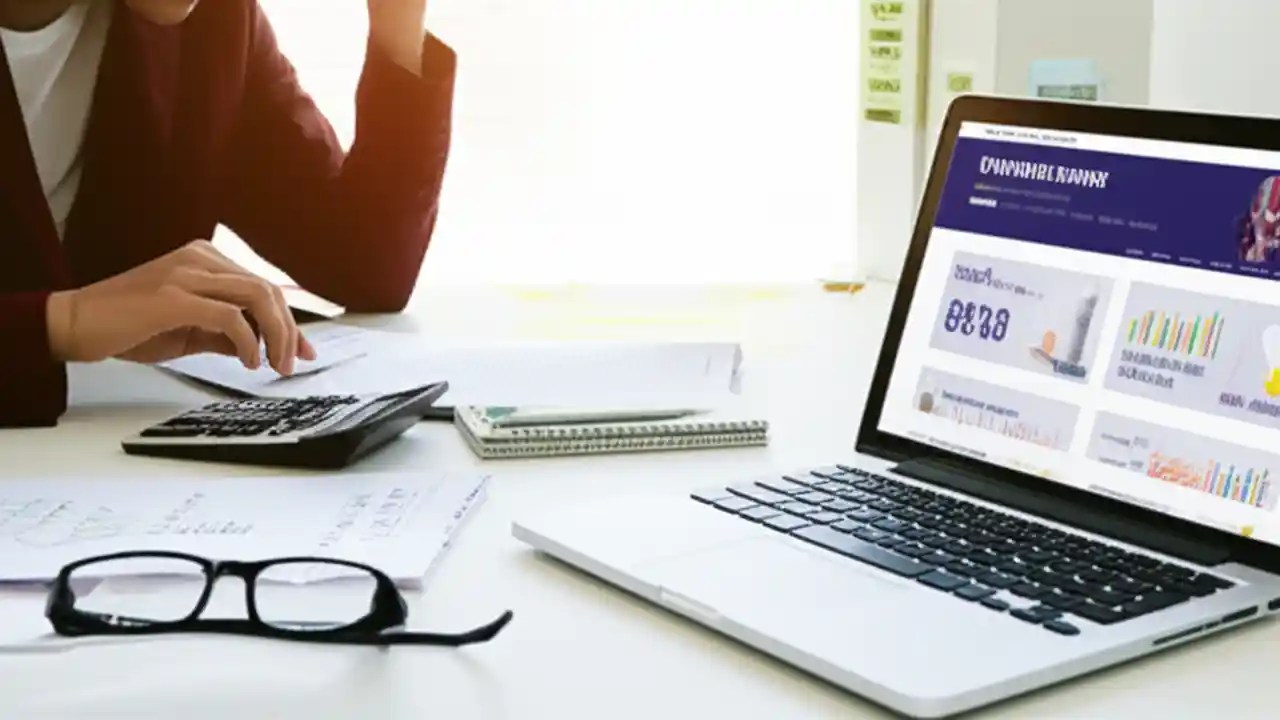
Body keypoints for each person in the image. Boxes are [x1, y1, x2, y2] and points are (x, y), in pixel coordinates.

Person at [0, 0, 454, 427]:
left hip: (99, 470)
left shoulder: (211, 23)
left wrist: (396, 22)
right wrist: (65, 324)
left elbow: (365, 261)